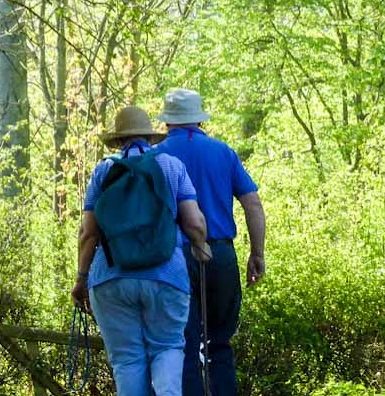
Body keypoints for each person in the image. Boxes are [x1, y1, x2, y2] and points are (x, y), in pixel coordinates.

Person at [71, 105, 212, 396]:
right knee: (167, 347)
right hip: (166, 275)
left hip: (110, 277)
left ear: (118, 140)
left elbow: (88, 233)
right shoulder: (171, 166)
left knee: (127, 359)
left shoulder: (103, 171)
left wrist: (81, 278)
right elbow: (195, 222)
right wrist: (200, 246)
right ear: (150, 137)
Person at [155, 89, 267, 396]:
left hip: (173, 258)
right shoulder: (223, 152)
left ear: (167, 122)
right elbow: (253, 204)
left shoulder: (156, 157)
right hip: (220, 254)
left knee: (184, 344)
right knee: (220, 343)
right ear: (199, 120)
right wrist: (257, 253)